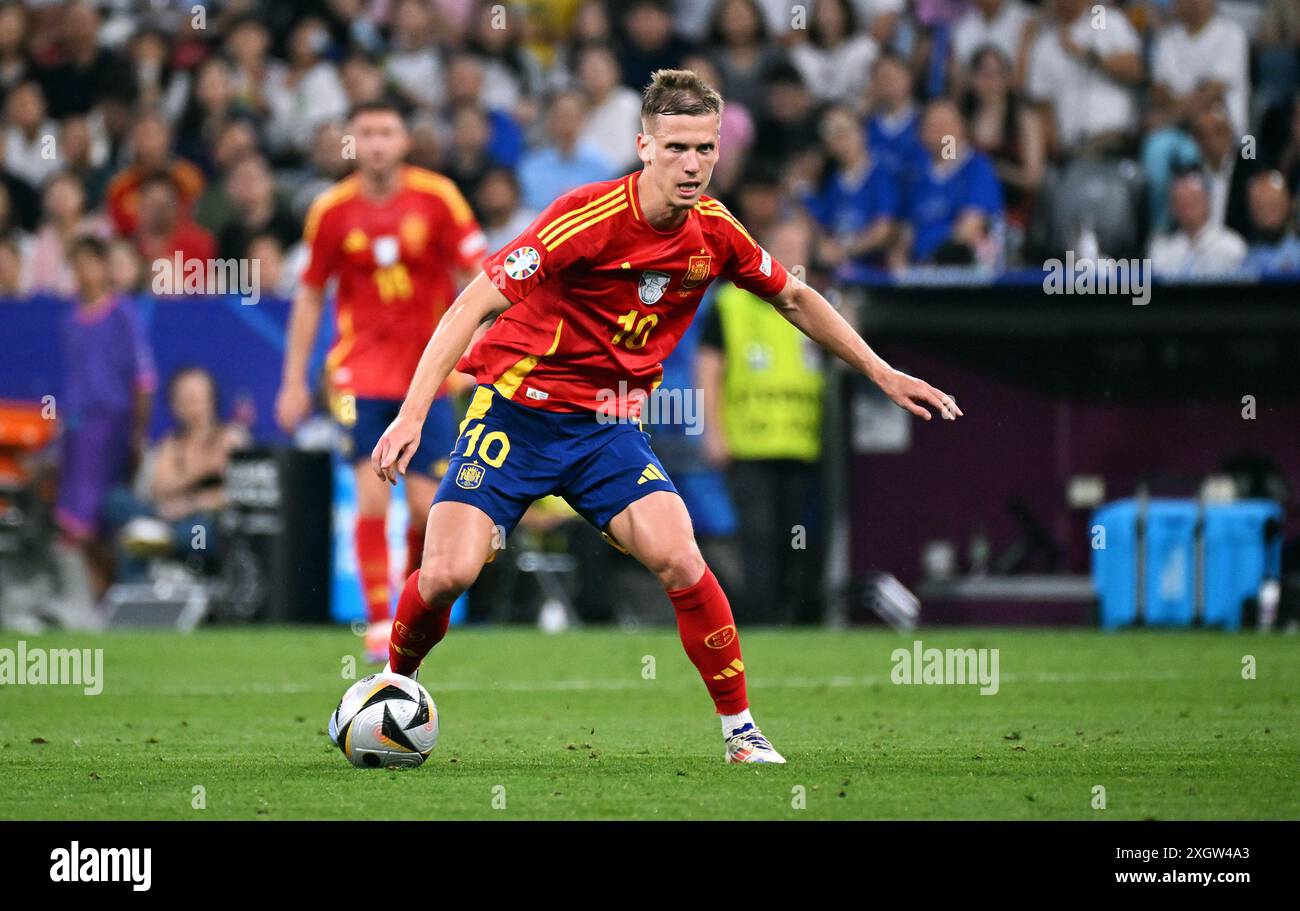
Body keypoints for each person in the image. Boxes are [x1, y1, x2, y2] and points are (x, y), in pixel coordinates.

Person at [362, 70, 963, 765]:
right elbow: (472, 303)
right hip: (514, 419)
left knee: (680, 555)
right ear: (643, 145)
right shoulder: (584, 217)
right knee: (445, 576)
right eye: (676, 147)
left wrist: (881, 370)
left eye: (705, 148)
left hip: (605, 433)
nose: (692, 163)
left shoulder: (716, 231)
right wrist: (413, 413)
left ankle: (741, 730)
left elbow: (794, 299)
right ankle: (393, 688)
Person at [276, 98, 486, 663]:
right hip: (357, 374)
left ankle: (411, 610)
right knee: (371, 495)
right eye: (365, 132)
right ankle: (376, 620)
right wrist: (294, 379)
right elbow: (310, 296)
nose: (375, 143)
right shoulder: (331, 210)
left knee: (424, 509)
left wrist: (474, 348)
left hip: (430, 376)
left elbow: (482, 276)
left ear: (403, 141)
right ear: (352, 141)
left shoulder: (438, 197)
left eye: (385, 131)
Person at [56, 236, 156, 602]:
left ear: (103, 266)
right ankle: (92, 598)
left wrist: (137, 435)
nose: (83, 272)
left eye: (89, 263)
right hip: (77, 429)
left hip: (112, 427)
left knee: (98, 514)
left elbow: (143, 380)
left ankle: (111, 592)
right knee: (73, 520)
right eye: (76, 264)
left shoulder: (123, 314)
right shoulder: (70, 321)